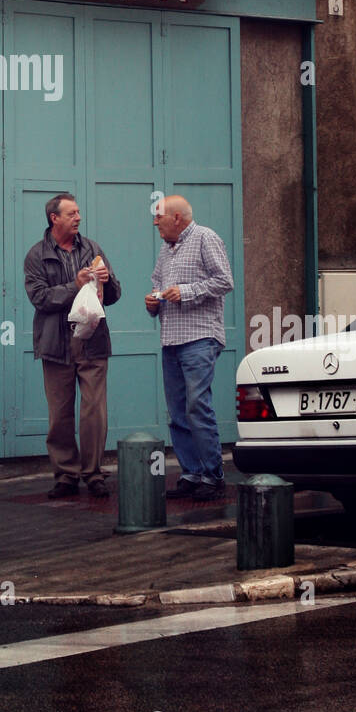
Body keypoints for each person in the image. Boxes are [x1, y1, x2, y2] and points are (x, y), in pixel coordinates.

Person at [24, 194, 121, 499]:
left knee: (94, 412)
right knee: (60, 414)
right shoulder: (36, 255)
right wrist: (74, 286)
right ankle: (66, 475)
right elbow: (40, 298)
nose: (78, 218)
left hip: (92, 340)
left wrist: (107, 280)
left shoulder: (92, 249)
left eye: (78, 212)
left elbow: (115, 294)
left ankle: (93, 473)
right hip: (56, 342)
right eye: (72, 213)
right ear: (54, 218)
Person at [145, 195, 234, 501]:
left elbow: (225, 281)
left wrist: (187, 292)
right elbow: (158, 285)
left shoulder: (206, 238)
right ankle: (191, 474)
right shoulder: (165, 249)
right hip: (171, 340)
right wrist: (153, 303)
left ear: (177, 218)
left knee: (197, 406)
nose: (155, 222)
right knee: (178, 412)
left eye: (159, 217)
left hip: (199, 337)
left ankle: (213, 476)